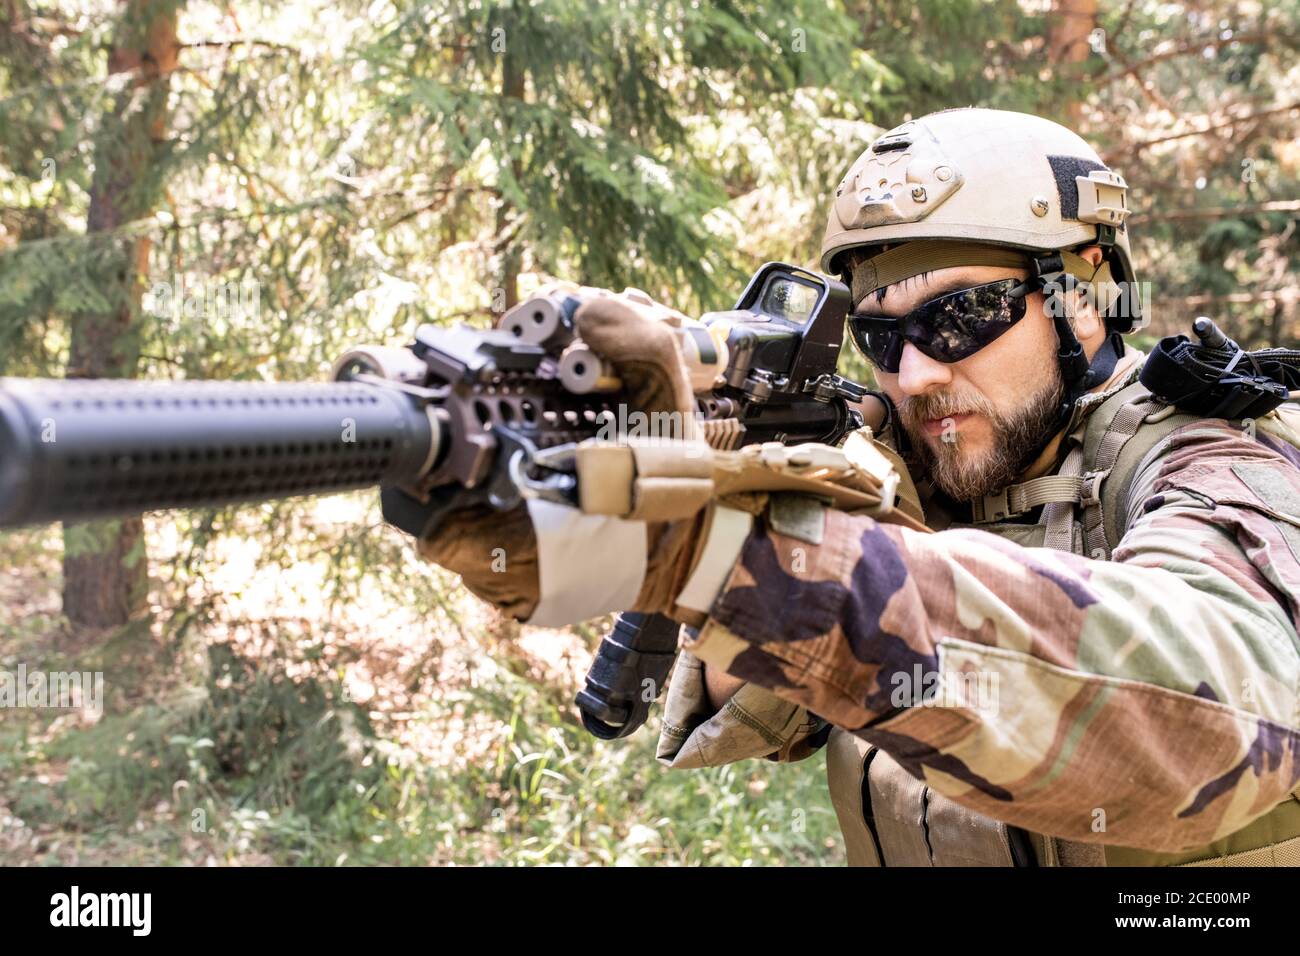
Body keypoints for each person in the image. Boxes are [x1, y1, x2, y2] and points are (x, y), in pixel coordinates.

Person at [422, 108, 1300, 866]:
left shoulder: (1217, 451)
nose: (914, 375)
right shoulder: (907, 468)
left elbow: (1218, 708)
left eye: (958, 318)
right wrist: (688, 494)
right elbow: (781, 709)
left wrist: (723, 559)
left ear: (1084, 296)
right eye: (881, 337)